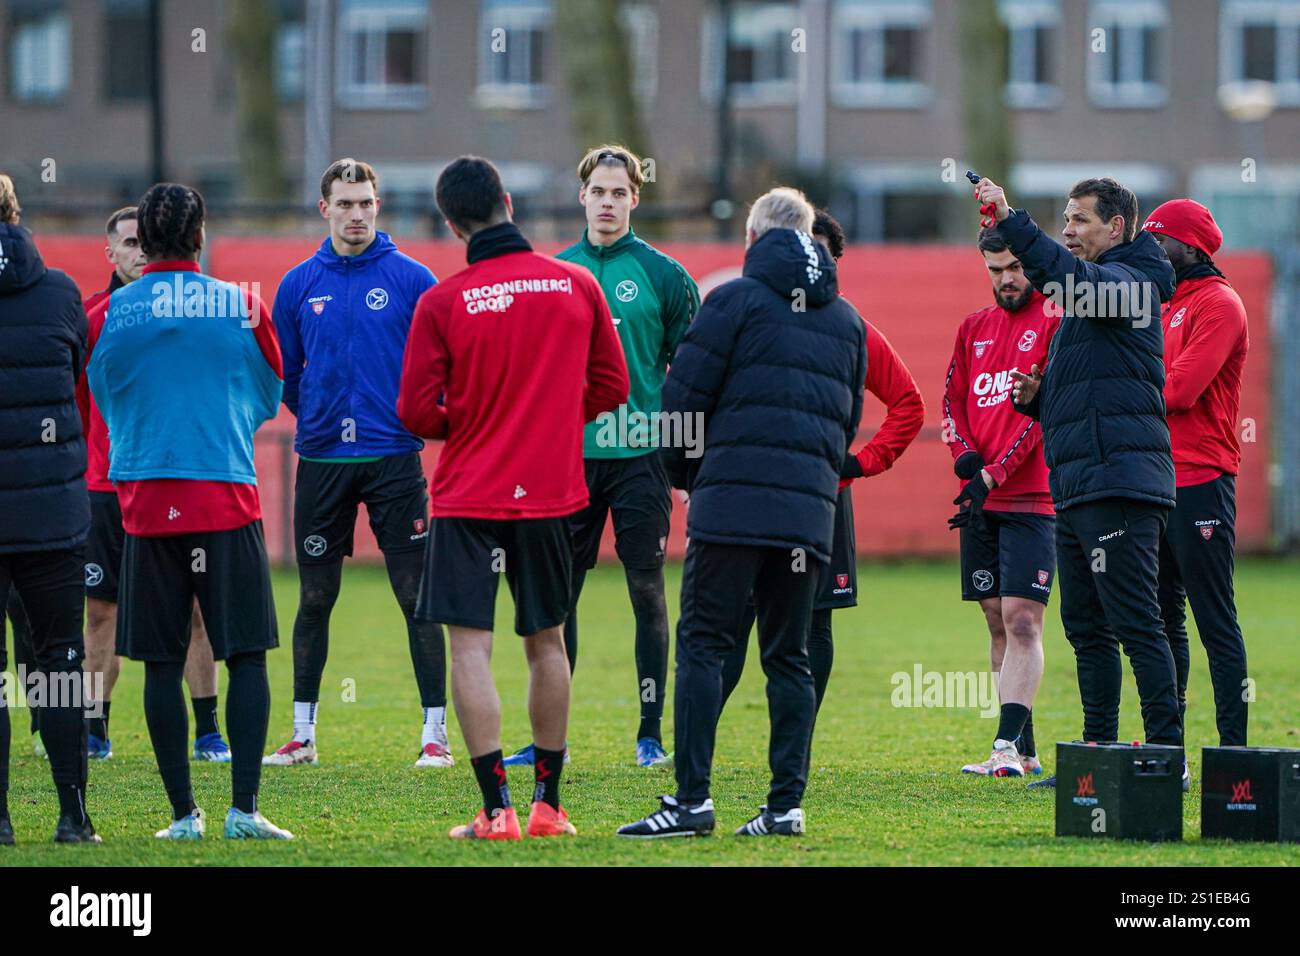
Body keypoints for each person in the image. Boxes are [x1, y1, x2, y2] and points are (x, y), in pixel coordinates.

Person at [618, 188, 866, 839]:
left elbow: (683, 409)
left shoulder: (732, 301)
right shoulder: (846, 320)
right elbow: (847, 426)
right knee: (790, 659)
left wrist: (691, 480)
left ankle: (691, 802)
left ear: (752, 239)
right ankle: (785, 807)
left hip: (730, 509)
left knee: (703, 646)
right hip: (809, 519)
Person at [397, 156, 629, 840]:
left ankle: (495, 811)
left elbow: (414, 412)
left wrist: (468, 421)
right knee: (547, 641)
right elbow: (613, 388)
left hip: (469, 495)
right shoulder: (576, 284)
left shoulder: (442, 300)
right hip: (553, 494)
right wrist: (552, 418)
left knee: (469, 648)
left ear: (450, 222)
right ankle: (548, 807)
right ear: (506, 202)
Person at [87, 182, 291, 839]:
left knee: (159, 661)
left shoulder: (110, 314)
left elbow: (102, 395)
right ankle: (244, 809)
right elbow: (269, 393)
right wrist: (221, 424)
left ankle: (182, 816)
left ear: (142, 241)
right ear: (201, 236)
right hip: (226, 493)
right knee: (248, 656)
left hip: (145, 500)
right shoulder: (243, 307)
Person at [973, 176, 1183, 787]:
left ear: (1117, 227)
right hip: (1081, 484)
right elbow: (1098, 388)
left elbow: (1068, 279)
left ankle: (1166, 757)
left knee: (1137, 622)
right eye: (1063, 219)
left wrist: (1011, 220)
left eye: (1079, 220)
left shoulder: (1131, 283)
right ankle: (1098, 757)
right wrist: (1042, 401)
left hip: (1119, 483)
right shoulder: (1093, 295)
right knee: (1088, 629)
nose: (1068, 230)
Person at [503, 145, 698, 770]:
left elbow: (690, 374)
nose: (608, 202)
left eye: (620, 193)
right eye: (599, 192)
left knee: (647, 591)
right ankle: (547, 738)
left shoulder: (666, 276)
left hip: (641, 458)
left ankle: (649, 734)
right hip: (570, 459)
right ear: (581, 196)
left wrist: (687, 461)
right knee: (560, 598)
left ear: (635, 199)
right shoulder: (553, 274)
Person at [718, 208, 924, 756]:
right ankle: (699, 738)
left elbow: (909, 404)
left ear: (835, 262)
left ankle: (795, 745)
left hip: (821, 503)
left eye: (821, 252)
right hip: (752, 497)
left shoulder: (849, 326)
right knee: (729, 626)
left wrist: (859, 463)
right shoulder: (745, 316)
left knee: (814, 627)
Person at [266, 159, 450, 769]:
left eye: (366, 203)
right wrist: (319, 416)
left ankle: (434, 736)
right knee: (315, 597)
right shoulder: (297, 284)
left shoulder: (413, 278)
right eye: (344, 204)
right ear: (324, 209)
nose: (356, 214)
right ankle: (302, 736)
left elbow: (436, 368)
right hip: (321, 461)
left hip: (395, 459)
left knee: (416, 595)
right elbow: (288, 377)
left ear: (379, 206)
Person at [76, 205, 231, 762]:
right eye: (128, 244)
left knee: (194, 611)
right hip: (105, 490)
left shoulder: (189, 313)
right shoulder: (93, 317)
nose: (140, 252)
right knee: (101, 613)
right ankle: (93, 730)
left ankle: (209, 731)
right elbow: (78, 404)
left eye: (147, 242)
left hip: (176, 483)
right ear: (110, 253)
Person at [0, 172, 98, 844]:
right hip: (52, 519)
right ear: (15, 212)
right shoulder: (61, 292)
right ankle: (72, 816)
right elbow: (73, 377)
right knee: (60, 664)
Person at [945, 227, 1060, 778]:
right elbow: (952, 403)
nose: (1008, 279)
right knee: (996, 622)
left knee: (1022, 622)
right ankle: (1027, 749)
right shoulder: (973, 328)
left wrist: (992, 474)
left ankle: (1004, 747)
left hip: (1033, 496)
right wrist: (969, 464)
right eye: (996, 271)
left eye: (1016, 267)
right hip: (981, 498)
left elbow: (1038, 420)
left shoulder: (1055, 321)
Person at [1144, 200, 1250, 747]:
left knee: (1215, 620)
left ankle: (1235, 753)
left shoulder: (1220, 303)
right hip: (1154, 480)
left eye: (1159, 241)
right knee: (1161, 621)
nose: (1152, 250)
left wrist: (1125, 395)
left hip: (1201, 477)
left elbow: (1180, 391)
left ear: (1191, 247)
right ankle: (1169, 753)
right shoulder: (1162, 305)